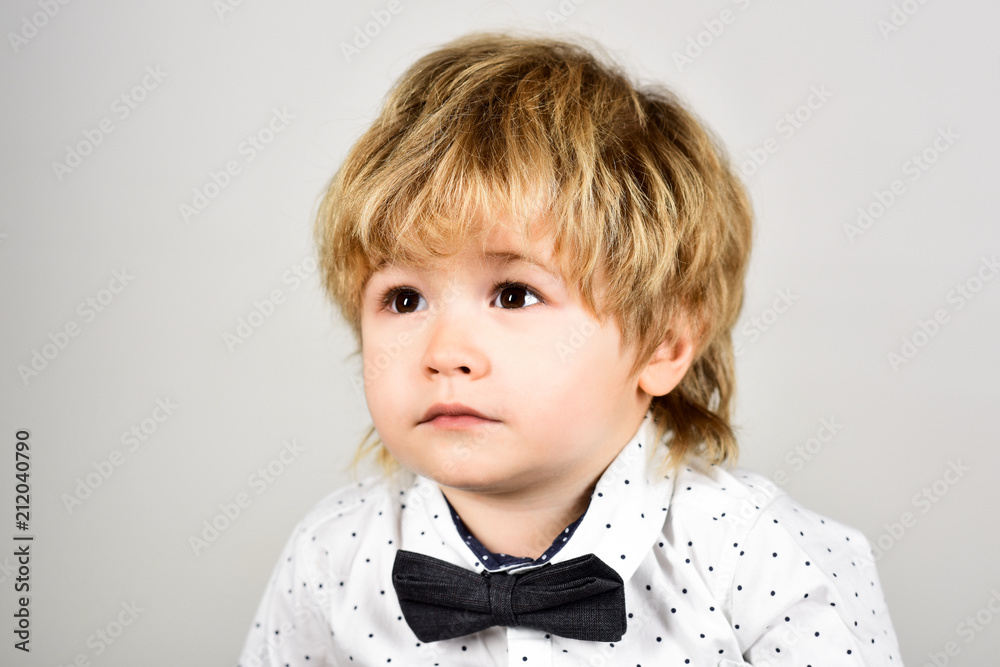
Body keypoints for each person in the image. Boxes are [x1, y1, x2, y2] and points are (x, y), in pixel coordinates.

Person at [238, 32, 902, 666]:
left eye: (515, 294)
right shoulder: (331, 559)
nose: (444, 351)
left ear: (664, 344)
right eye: (404, 299)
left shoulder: (760, 555)